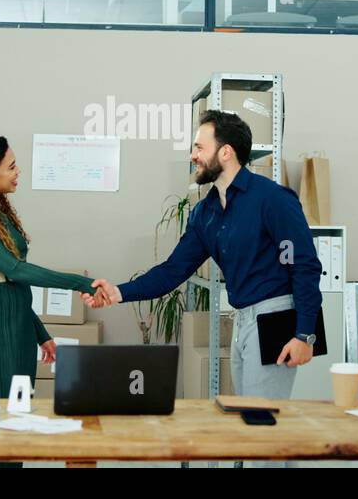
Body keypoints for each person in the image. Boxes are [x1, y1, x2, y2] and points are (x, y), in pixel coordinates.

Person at [86, 110, 322, 401]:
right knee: (248, 418)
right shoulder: (205, 213)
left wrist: (304, 335)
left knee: (263, 422)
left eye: (199, 147)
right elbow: (173, 270)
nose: (192, 156)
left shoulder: (272, 198)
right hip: (243, 319)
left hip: (276, 316)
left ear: (225, 152)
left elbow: (305, 265)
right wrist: (118, 292)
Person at [0, 134, 111, 467]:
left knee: (16, 420)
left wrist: (40, 334)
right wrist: (82, 282)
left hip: (13, 324)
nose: (19, 172)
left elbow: (13, 288)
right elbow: (15, 270)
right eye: (12, 166)